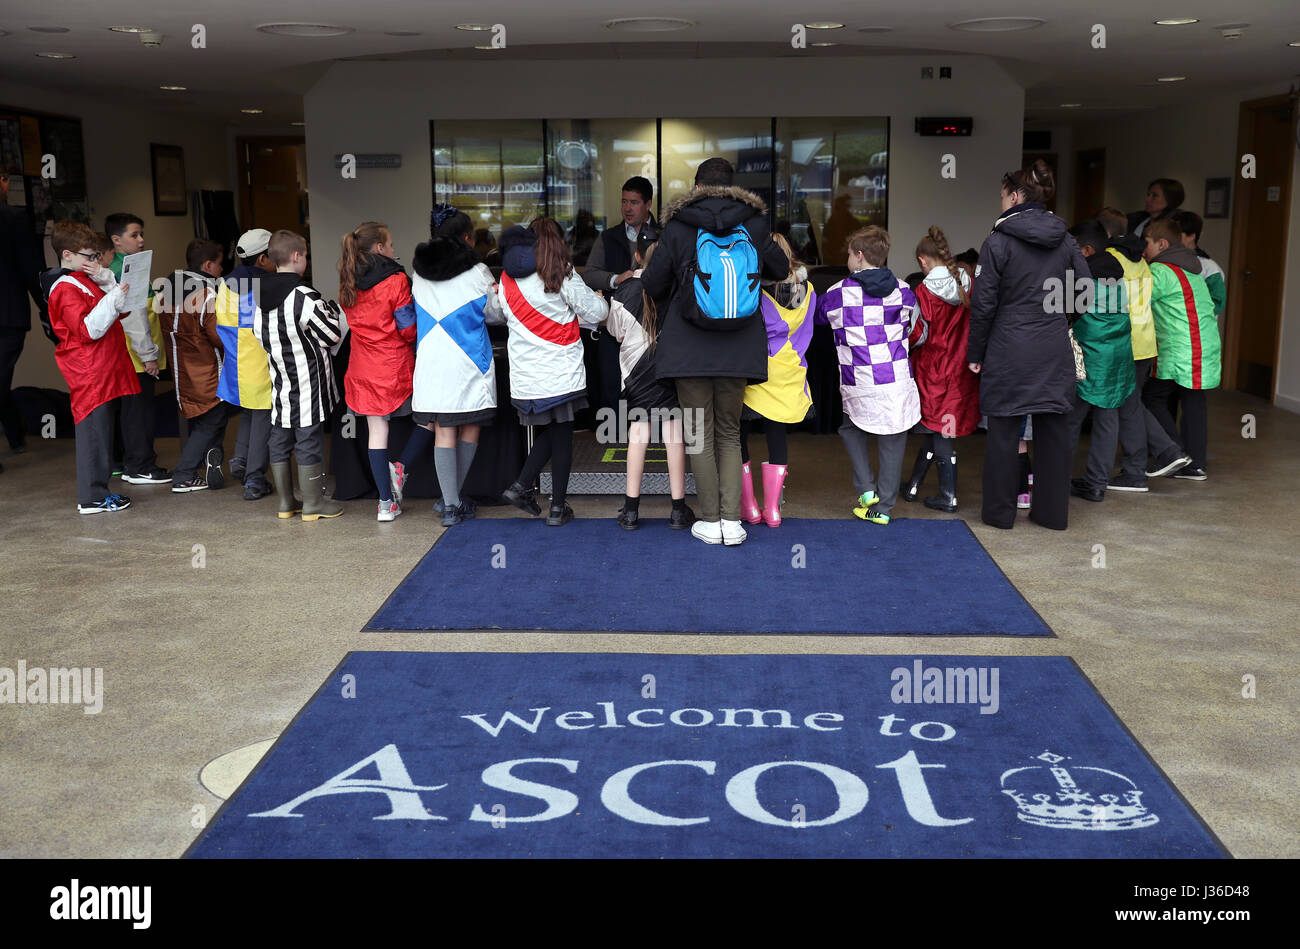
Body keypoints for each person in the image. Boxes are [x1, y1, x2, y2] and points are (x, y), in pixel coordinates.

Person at [640, 157, 789, 546]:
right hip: (738, 347)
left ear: (697, 186)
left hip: (689, 349)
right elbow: (780, 268)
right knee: (728, 432)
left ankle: (709, 521)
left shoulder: (677, 225)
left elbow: (653, 284)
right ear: (732, 186)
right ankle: (732, 521)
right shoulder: (754, 223)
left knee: (699, 436)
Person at [967, 159, 1088, 531]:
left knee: (1004, 434)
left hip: (1008, 347)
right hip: (1052, 346)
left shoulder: (998, 241)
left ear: (1016, 196)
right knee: (1054, 435)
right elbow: (1083, 294)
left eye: (1003, 196)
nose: (1001, 203)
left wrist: (976, 353)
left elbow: (983, 303)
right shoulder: (1065, 239)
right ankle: (1052, 516)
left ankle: (1000, 515)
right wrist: (1059, 320)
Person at [498, 218, 609, 526]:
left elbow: (496, 313)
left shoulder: (507, 278)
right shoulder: (561, 271)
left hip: (525, 374)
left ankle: (529, 490)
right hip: (560, 371)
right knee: (561, 434)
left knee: (556, 433)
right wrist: (597, 301)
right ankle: (551, 504)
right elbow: (597, 313)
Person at [815, 226, 920, 526]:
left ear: (859, 257)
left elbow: (818, 318)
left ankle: (865, 490)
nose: (848, 259)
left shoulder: (837, 294)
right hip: (896, 379)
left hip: (858, 380)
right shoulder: (904, 290)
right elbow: (912, 327)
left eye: (849, 254)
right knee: (893, 440)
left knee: (851, 429)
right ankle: (884, 509)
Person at [409, 204, 505, 527]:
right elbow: (495, 313)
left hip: (431, 360)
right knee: (471, 425)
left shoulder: (418, 272)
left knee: (444, 430)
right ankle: (451, 500)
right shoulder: (478, 272)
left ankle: (450, 502)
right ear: (466, 237)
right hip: (469, 362)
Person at [41, 222, 138, 513]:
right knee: (94, 432)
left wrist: (109, 285)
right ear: (67, 254)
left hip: (101, 367)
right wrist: (113, 295)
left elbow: (119, 312)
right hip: (89, 370)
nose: (95, 262)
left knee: (101, 430)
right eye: (90, 256)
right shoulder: (64, 288)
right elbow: (88, 330)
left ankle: (97, 491)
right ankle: (93, 496)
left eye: (97, 256)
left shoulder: (82, 279)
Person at [603, 233, 696, 531]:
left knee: (637, 436)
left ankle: (631, 510)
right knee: (674, 438)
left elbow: (615, 331)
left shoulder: (627, 290)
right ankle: (678, 510)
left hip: (635, 373)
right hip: (668, 369)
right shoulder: (678, 288)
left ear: (639, 256)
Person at [252, 229, 345, 520]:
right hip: (309, 383)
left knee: (279, 440)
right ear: (296, 257)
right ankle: (314, 504)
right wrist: (331, 314)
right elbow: (331, 335)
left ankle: (285, 503)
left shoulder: (259, 297)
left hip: (280, 381)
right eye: (305, 255)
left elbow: (259, 334)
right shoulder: (303, 296)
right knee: (308, 442)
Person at [1097, 207, 1189, 490]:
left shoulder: (1110, 260)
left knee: (1125, 406)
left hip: (1123, 341)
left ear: (1106, 234)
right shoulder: (1141, 260)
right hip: (1146, 343)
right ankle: (1164, 453)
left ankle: (1139, 469)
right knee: (1131, 404)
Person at [337, 221, 416, 523]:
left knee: (376, 432)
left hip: (362, 366)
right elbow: (408, 328)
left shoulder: (348, 277)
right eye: (391, 244)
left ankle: (385, 504)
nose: (394, 250)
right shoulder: (396, 280)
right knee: (431, 420)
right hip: (394, 365)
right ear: (381, 248)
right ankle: (401, 467)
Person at [738, 233, 815, 528]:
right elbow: (808, 332)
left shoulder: (754, 290)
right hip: (790, 373)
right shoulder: (808, 291)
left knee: (739, 436)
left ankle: (750, 508)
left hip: (755, 374)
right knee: (777, 437)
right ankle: (773, 511)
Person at [902, 225, 979, 513]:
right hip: (961, 368)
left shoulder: (922, 291)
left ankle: (949, 496)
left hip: (934, 369)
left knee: (941, 432)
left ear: (923, 260)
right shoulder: (966, 281)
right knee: (939, 429)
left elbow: (917, 334)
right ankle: (912, 486)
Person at [1141, 218, 1221, 481]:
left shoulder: (1162, 271)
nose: (1143, 250)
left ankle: (1175, 452)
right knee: (1193, 402)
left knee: (1151, 398)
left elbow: (1139, 300)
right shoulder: (1191, 270)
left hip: (1183, 348)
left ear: (1162, 244)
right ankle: (1195, 463)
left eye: (1147, 244)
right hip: (1202, 345)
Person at [1064, 220, 1135, 503]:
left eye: (1073, 249)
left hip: (1090, 355)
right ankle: (1096, 484)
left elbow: (1069, 315)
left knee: (1070, 420)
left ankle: (1056, 477)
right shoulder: (1118, 274)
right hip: (1117, 354)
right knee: (1108, 418)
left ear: (1088, 250)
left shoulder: (1083, 279)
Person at [583, 177, 658, 419]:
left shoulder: (666, 235)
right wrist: (616, 279)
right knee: (612, 384)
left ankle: (654, 435)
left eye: (634, 202)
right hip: (614, 325)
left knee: (655, 386)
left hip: (655, 324)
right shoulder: (608, 237)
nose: (627, 208)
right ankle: (610, 442)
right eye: (624, 201)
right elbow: (590, 274)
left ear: (648, 204)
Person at [157, 240, 228, 493]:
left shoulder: (166, 289)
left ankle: (211, 465)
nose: (222, 270)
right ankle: (184, 474)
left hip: (179, 367)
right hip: (205, 368)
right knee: (213, 419)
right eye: (220, 264)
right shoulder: (206, 294)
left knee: (203, 420)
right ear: (208, 265)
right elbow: (217, 335)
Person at [104, 212, 169, 485]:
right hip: (135, 354)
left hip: (127, 353)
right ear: (116, 240)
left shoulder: (121, 265)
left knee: (124, 409)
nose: (141, 240)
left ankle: (120, 462)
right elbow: (133, 315)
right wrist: (147, 356)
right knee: (139, 411)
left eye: (142, 234)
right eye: (134, 235)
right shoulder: (126, 270)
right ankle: (140, 465)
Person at [216, 229, 276, 499]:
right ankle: (254, 479)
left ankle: (240, 459)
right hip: (261, 363)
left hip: (235, 362)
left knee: (249, 413)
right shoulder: (269, 286)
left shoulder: (225, 283)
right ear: (263, 259)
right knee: (263, 418)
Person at [0, 172, 44, 462]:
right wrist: (48, 307)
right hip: (8, 313)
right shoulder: (14, 218)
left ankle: (16, 434)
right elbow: (31, 269)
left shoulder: (13, 217)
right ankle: (15, 433)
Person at [1172, 210, 1227, 331]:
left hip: (1198, 332)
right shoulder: (1166, 262)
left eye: (1177, 234)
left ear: (1192, 236)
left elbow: (1216, 303)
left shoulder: (1210, 268)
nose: (1171, 238)